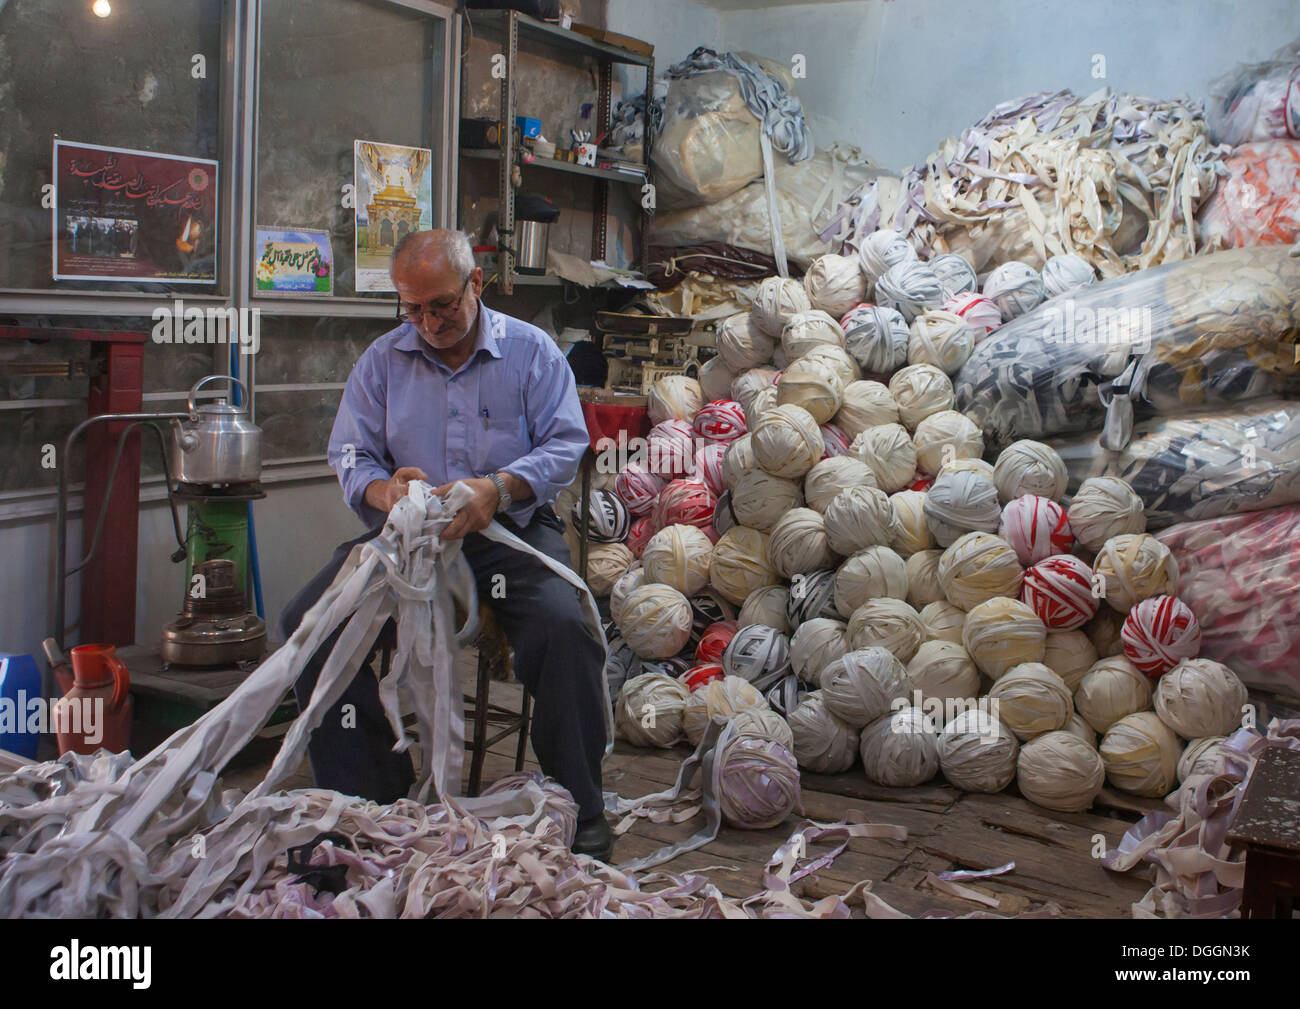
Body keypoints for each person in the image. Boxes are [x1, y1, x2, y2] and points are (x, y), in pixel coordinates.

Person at [279, 229, 613, 860]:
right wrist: (384, 490)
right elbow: (349, 453)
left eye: (441, 305)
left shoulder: (531, 352)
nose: (427, 323)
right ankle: (370, 801)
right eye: (412, 309)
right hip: (412, 538)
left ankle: (579, 804)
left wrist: (501, 486)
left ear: (475, 285)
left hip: (507, 532)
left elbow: (566, 445)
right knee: (309, 622)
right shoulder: (383, 360)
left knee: (565, 627)